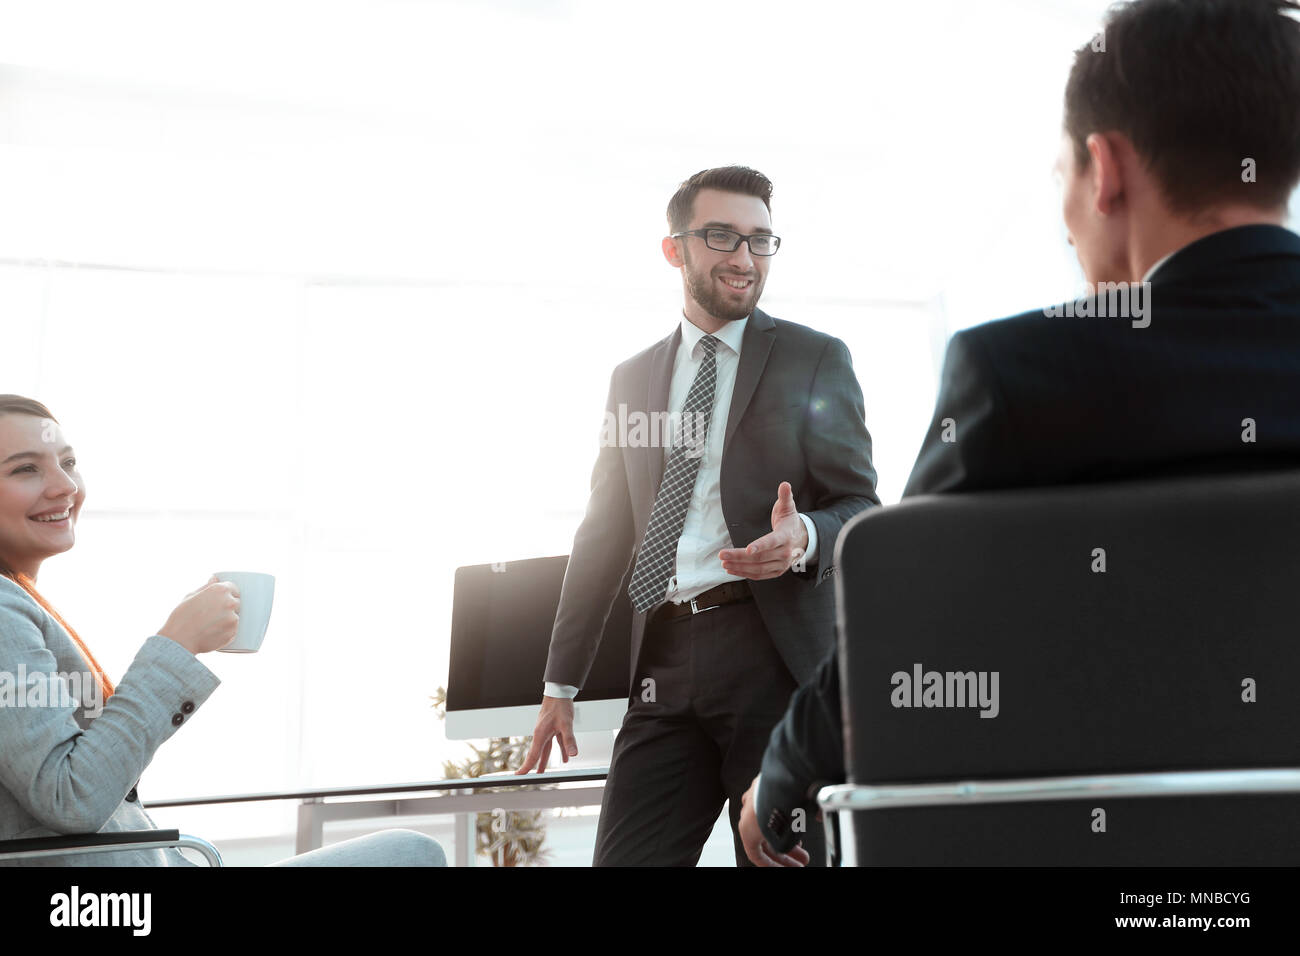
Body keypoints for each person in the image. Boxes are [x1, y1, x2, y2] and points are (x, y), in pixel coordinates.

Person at [742, 0, 1300, 865]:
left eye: (1062, 179)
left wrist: (773, 795)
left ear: (1105, 169)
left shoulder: (1018, 378)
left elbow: (896, 641)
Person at [514, 166, 880, 866]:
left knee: (783, 860)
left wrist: (804, 536)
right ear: (675, 249)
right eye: (722, 237)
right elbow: (603, 536)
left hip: (774, 658)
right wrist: (559, 684)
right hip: (663, 661)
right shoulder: (633, 379)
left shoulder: (814, 359)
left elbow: (861, 507)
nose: (744, 258)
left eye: (760, 240)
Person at [0, 395, 445, 866]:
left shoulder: (21, 598)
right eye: (25, 469)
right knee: (412, 854)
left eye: (68, 462)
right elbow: (70, 797)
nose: (65, 486)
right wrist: (176, 645)